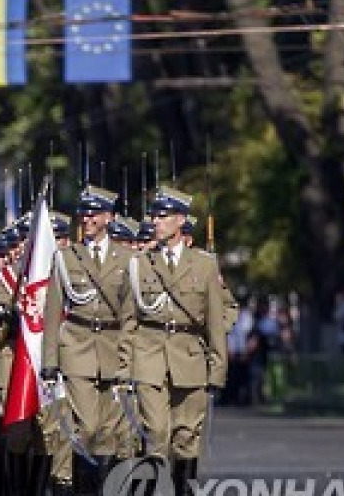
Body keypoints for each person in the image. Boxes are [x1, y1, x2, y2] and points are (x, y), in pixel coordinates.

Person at [117, 186, 228, 496]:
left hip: (189, 356)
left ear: (181, 221)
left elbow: (215, 323)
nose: (156, 221)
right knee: (156, 433)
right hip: (149, 356)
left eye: (163, 216)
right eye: (154, 216)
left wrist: (218, 369)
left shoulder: (204, 265)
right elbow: (129, 321)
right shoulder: (139, 263)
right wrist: (125, 368)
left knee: (187, 437)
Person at [40, 186, 135, 493]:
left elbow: (131, 315)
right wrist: (50, 362)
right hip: (77, 347)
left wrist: (131, 356)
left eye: (95, 214)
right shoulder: (66, 258)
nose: (88, 219)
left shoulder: (127, 259)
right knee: (86, 427)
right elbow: (53, 314)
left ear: (109, 217)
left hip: (113, 345)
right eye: (85, 213)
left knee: (108, 430)